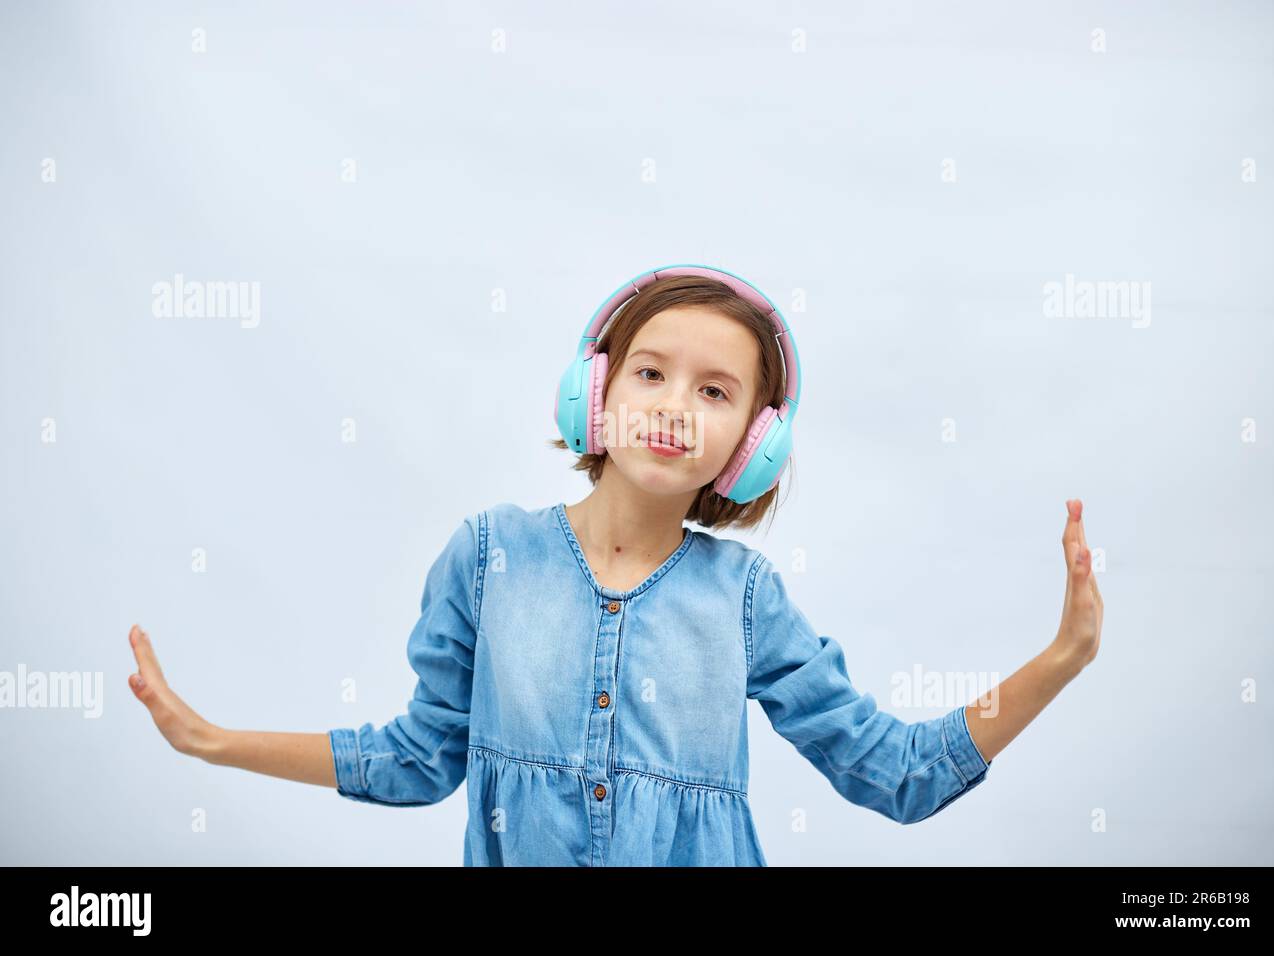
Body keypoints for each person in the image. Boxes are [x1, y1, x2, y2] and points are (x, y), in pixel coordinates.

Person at [127, 266, 1104, 865]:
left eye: (715, 389)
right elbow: (420, 758)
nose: (674, 403)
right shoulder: (487, 555)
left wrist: (1062, 655)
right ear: (592, 392)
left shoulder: (745, 599)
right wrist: (215, 741)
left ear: (753, 445)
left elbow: (897, 774)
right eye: (649, 371)